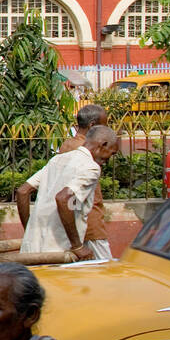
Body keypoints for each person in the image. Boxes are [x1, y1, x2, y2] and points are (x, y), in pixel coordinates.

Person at [15, 125, 119, 261]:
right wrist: (77, 247)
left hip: (31, 248)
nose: (108, 160)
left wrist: (30, 230)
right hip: (57, 253)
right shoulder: (91, 167)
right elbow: (63, 199)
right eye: (111, 153)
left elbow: (23, 191)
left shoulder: (58, 159)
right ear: (103, 145)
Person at [55, 103, 111, 260]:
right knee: (104, 271)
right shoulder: (86, 149)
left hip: (75, 220)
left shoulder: (67, 145)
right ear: (92, 126)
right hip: (90, 222)